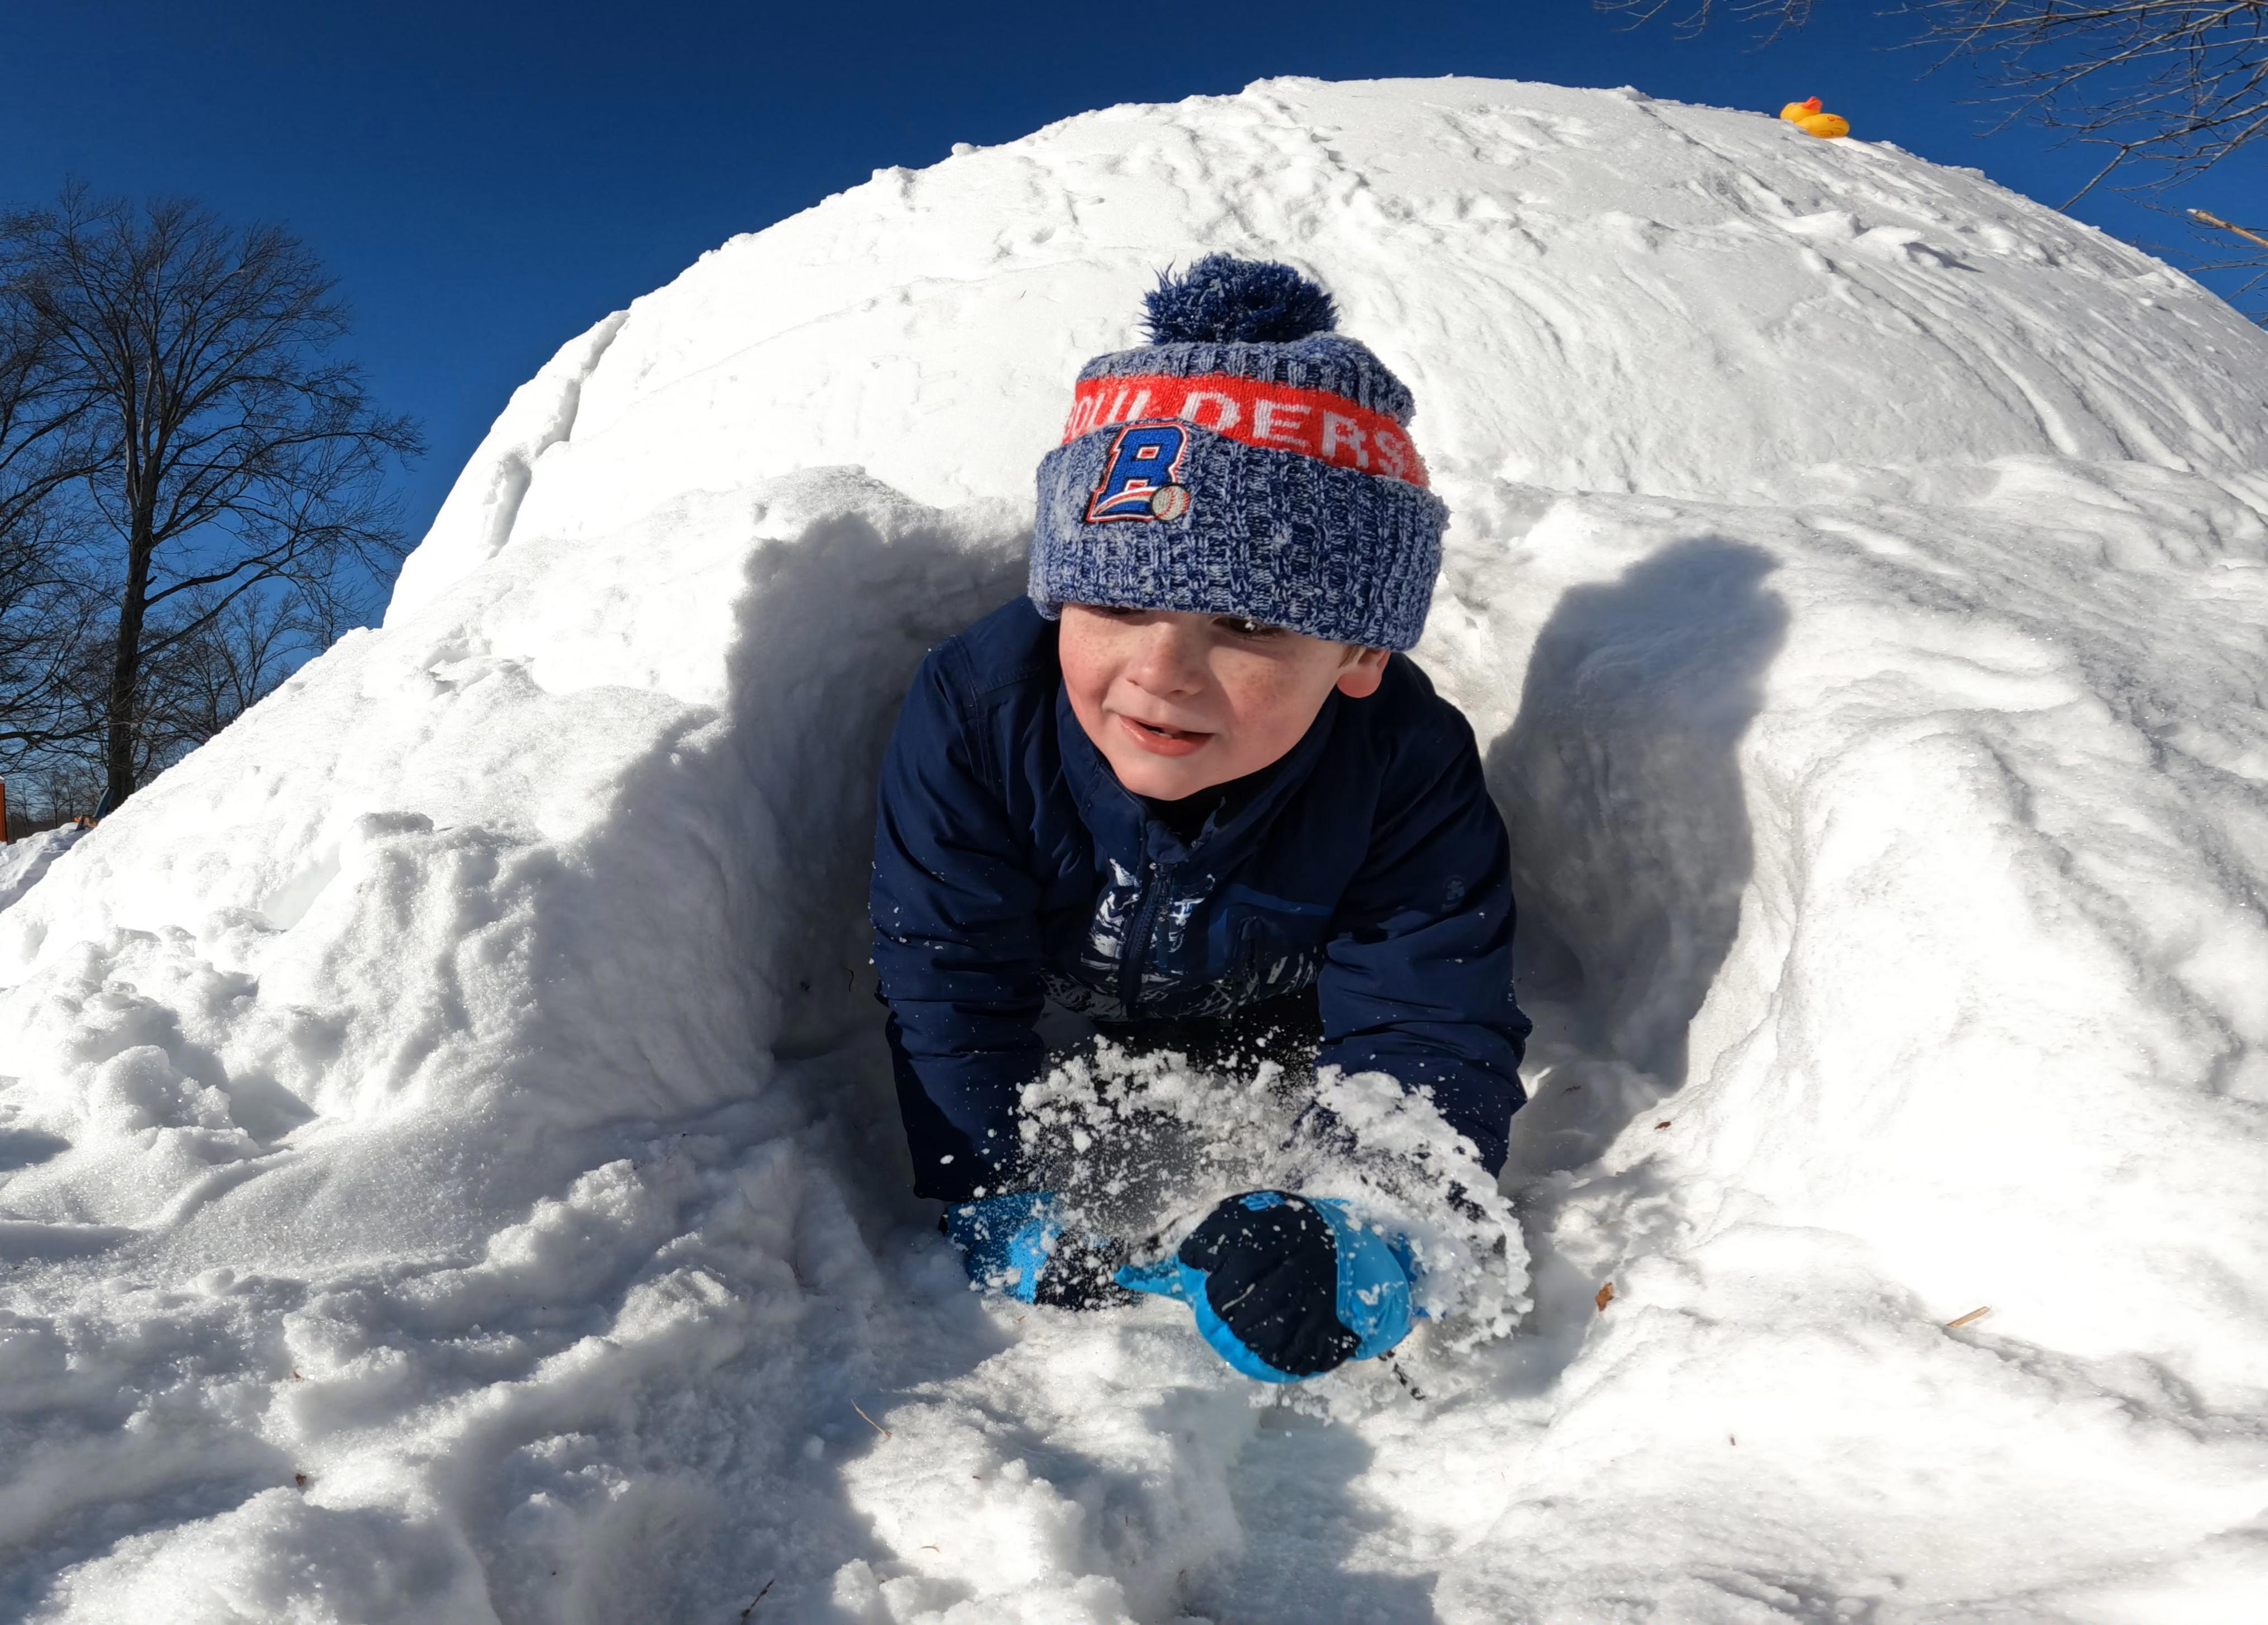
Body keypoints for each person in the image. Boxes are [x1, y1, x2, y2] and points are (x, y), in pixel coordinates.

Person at [870, 255, 1530, 1383]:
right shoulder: (981, 712)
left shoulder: (1401, 763)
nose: (1160, 672)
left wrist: (1365, 1220)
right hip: (1083, 999)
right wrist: (999, 1187)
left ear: (1360, 652)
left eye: (1246, 621)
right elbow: (947, 963)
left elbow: (1425, 1014)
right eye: (1118, 601)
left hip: (1278, 1008)